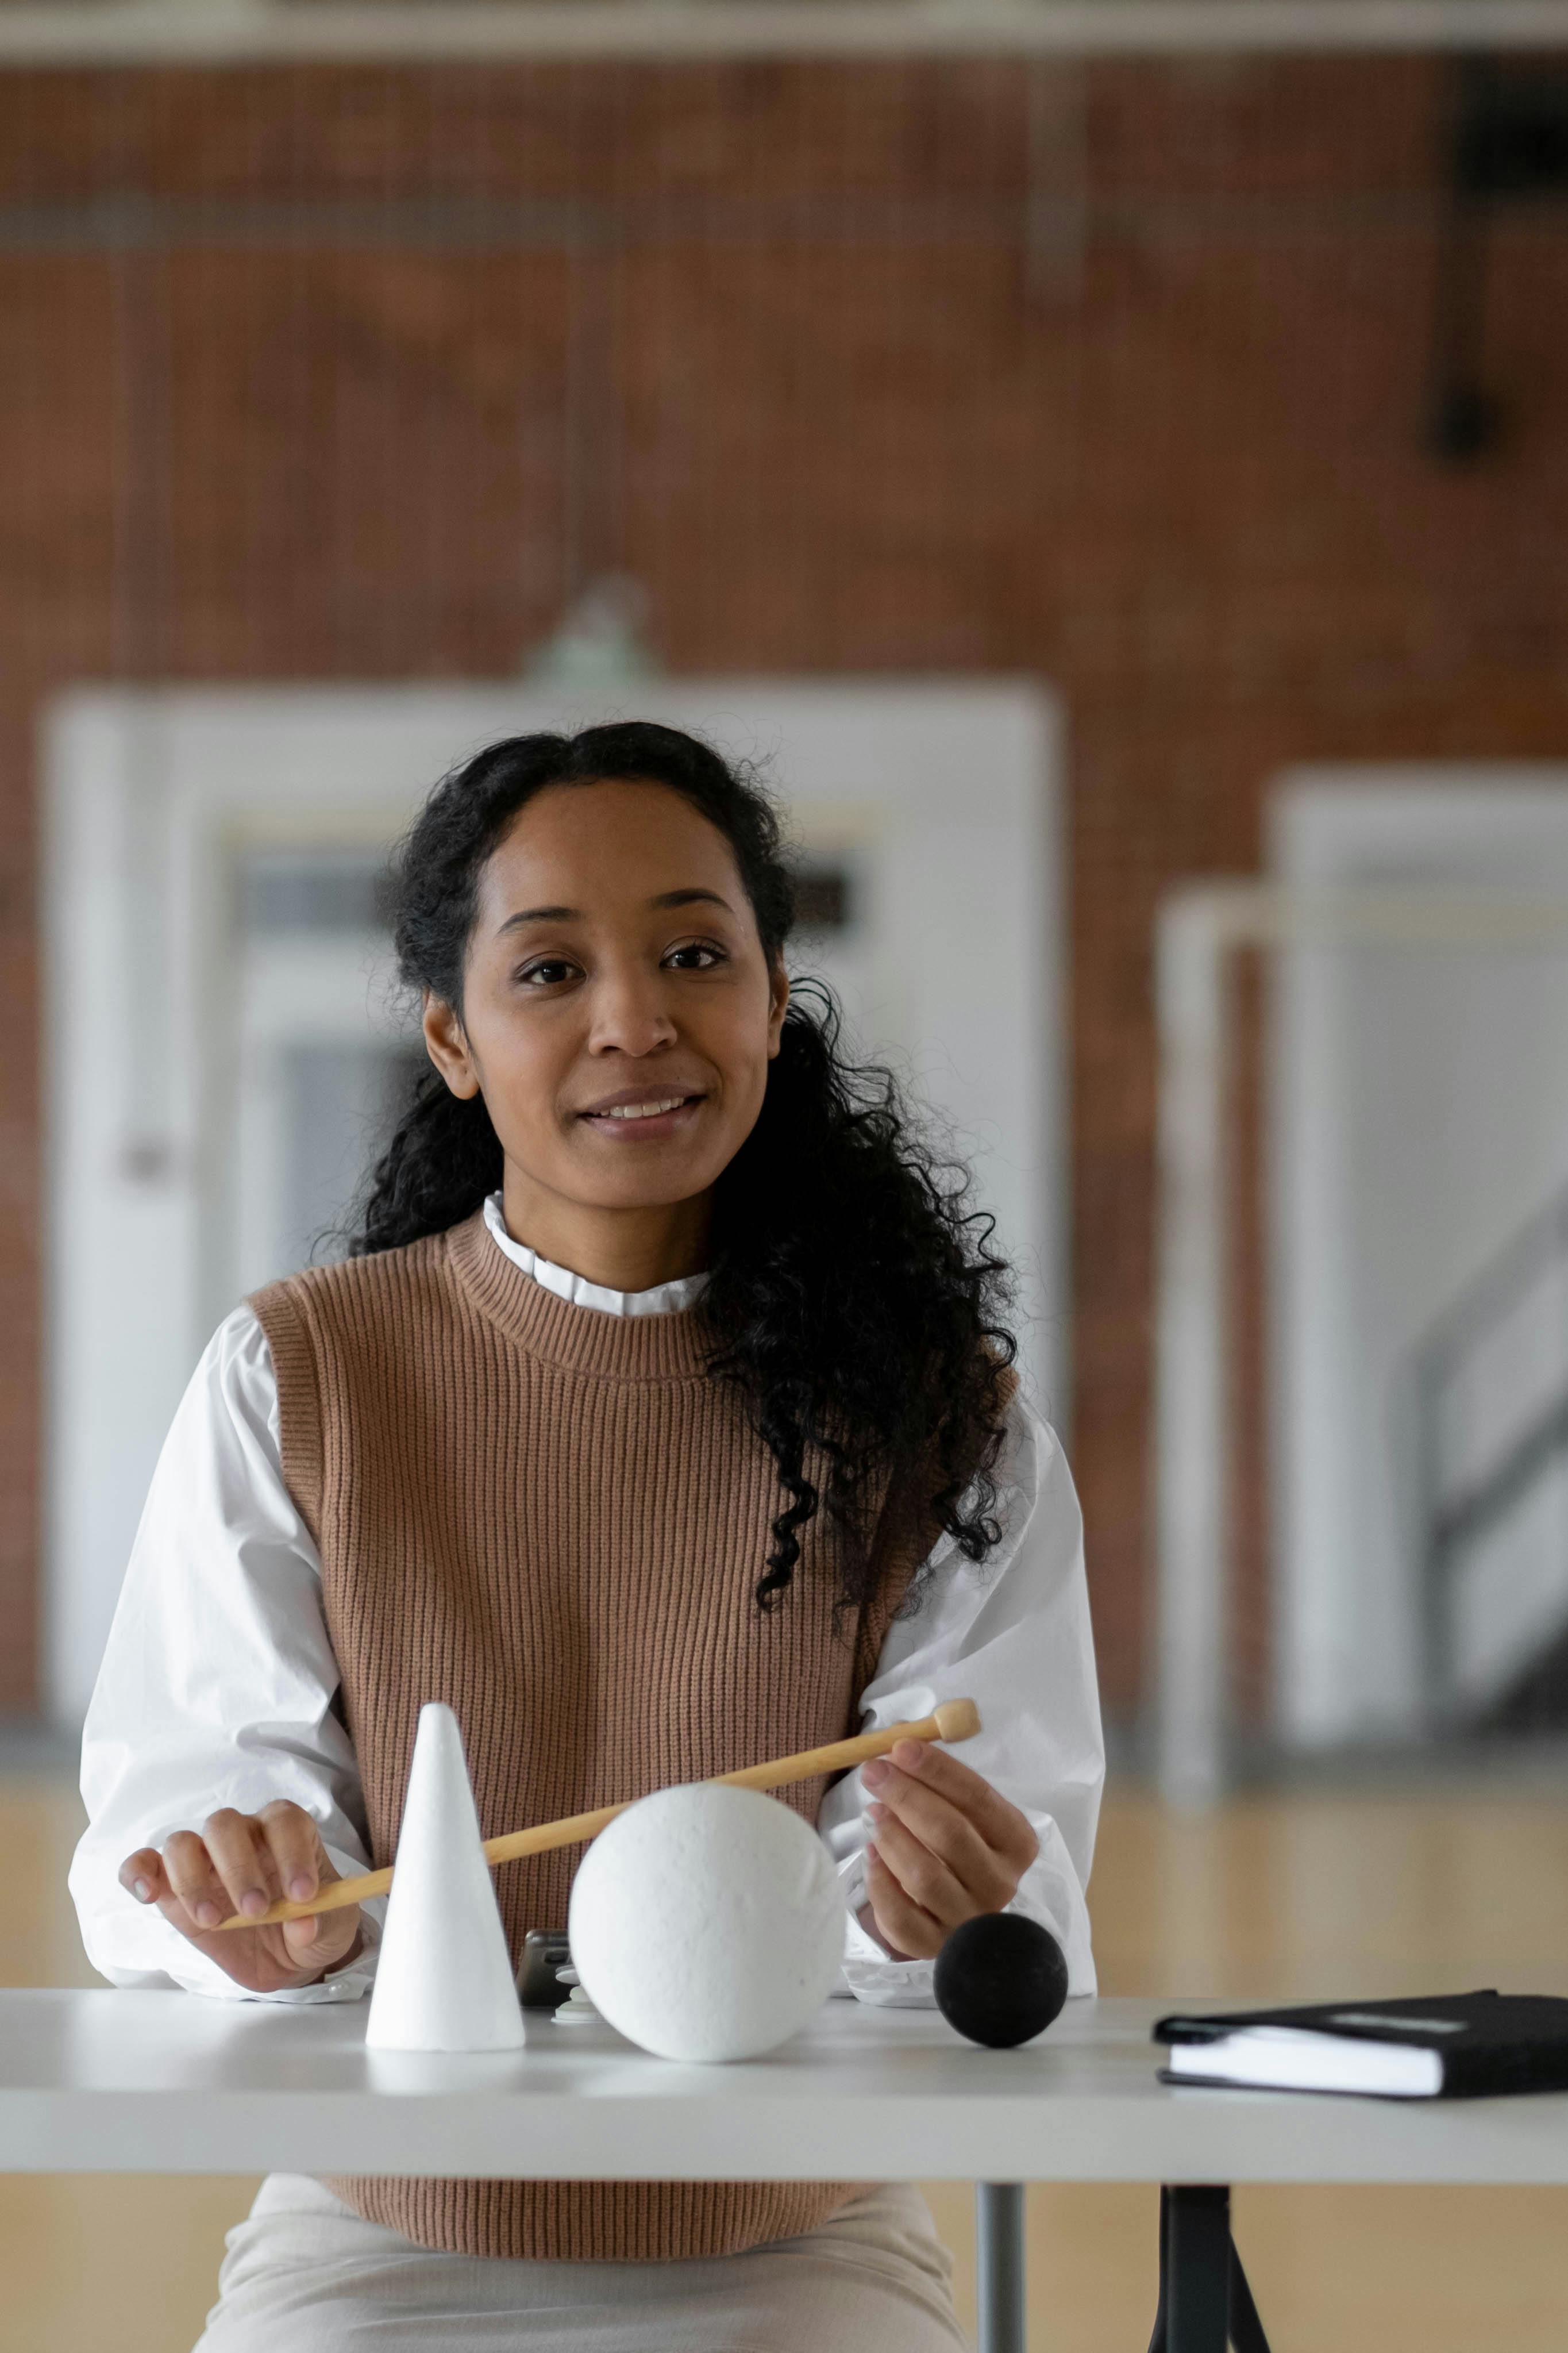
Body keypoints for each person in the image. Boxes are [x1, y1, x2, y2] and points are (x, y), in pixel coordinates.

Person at [70, 721, 1104, 2352]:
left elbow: (998, 1891)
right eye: (549, 973)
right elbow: (179, 1814)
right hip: (376, 2234)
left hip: (799, 2244)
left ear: (773, 1000)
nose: (635, 1020)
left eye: (696, 953)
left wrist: (934, 1916)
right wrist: (256, 1896)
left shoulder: (939, 1414)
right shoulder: (296, 1374)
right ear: (454, 1037)